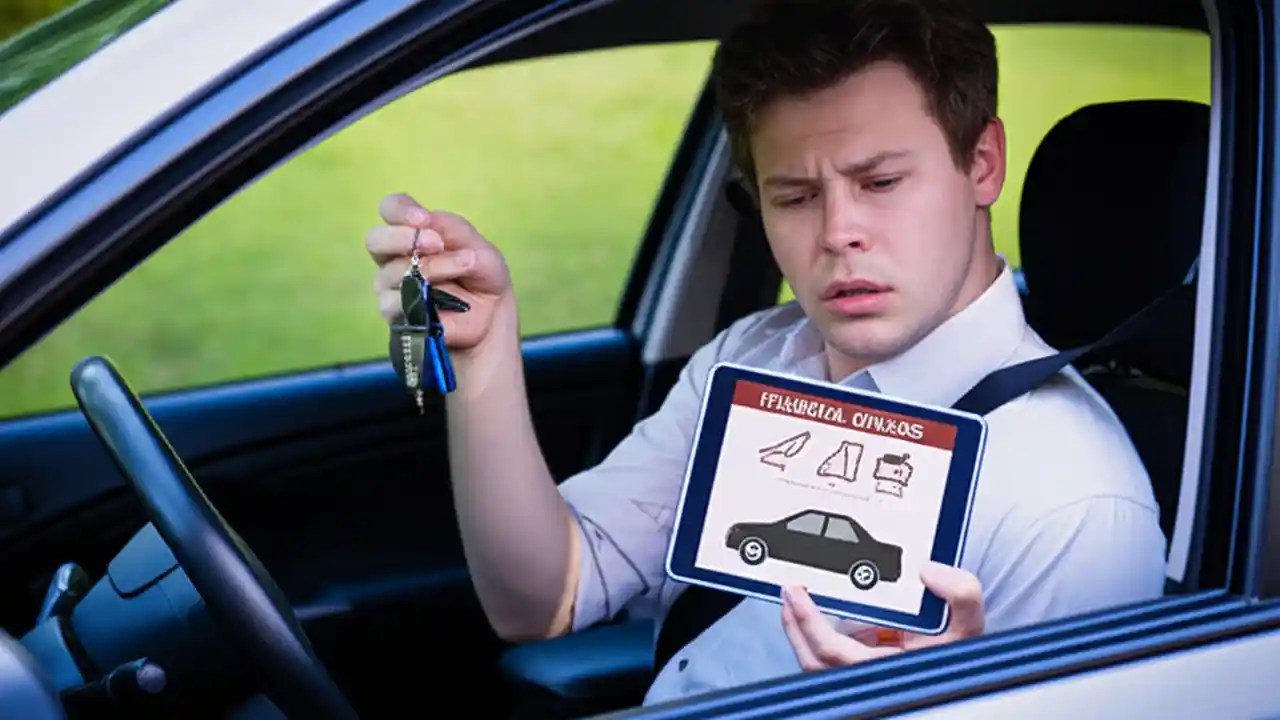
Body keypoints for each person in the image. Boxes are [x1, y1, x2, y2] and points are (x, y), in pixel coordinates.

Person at [364, 0, 1168, 705]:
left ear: (981, 164)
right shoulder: (756, 354)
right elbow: (545, 599)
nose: (837, 233)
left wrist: (928, 704)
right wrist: (482, 356)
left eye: (881, 183)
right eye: (796, 196)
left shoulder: (1072, 505)